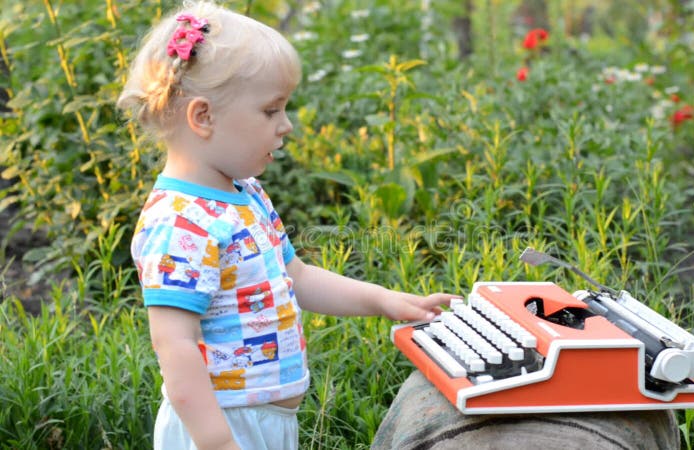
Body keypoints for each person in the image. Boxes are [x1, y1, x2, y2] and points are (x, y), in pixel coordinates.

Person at [116, 2, 456, 449]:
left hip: (263, 423)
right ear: (203, 117)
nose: (286, 125)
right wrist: (218, 442)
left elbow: (297, 277)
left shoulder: (245, 194)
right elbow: (175, 347)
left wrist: (385, 300)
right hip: (218, 428)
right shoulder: (181, 223)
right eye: (270, 111)